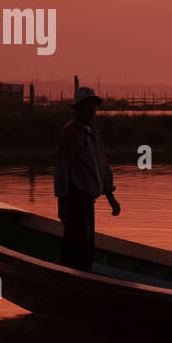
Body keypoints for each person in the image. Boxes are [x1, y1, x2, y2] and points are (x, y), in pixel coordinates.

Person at [54, 86, 120, 271]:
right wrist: (62, 202)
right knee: (75, 246)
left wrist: (111, 197)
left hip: (89, 201)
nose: (92, 108)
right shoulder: (70, 132)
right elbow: (62, 168)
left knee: (86, 246)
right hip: (75, 199)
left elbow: (102, 166)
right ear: (78, 108)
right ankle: (68, 278)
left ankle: (82, 276)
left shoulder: (94, 133)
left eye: (94, 104)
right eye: (87, 104)